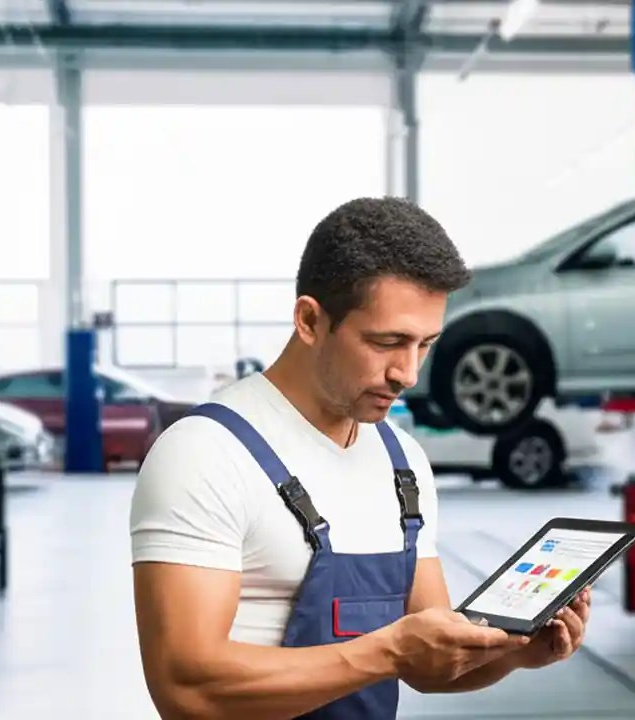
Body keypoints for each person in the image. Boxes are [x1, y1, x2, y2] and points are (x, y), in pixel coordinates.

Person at [129, 197, 592, 720]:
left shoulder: (403, 464)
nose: (408, 373)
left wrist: (517, 652)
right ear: (309, 320)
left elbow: (430, 665)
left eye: (424, 344)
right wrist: (387, 650)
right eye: (388, 342)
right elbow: (184, 687)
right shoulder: (205, 452)